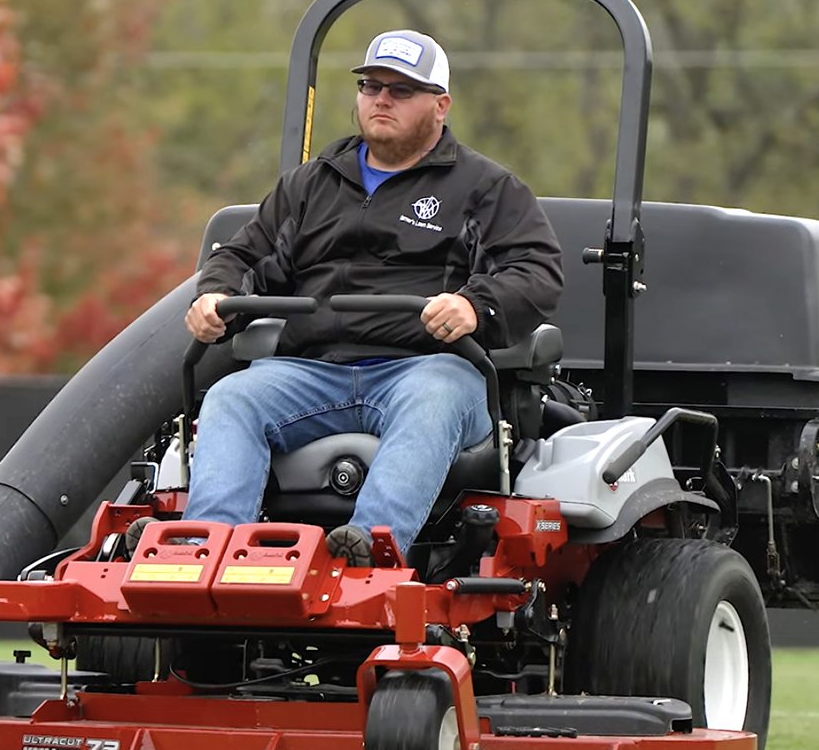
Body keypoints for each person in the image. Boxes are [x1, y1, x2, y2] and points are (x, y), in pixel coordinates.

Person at [181, 29, 564, 566]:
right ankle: (207, 554)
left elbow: (536, 270)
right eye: (370, 85)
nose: (381, 99)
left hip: (426, 368)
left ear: (440, 105)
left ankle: (369, 552)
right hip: (314, 371)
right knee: (231, 397)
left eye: (401, 90)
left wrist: (475, 305)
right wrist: (214, 295)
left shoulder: (485, 188)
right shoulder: (309, 186)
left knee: (435, 396)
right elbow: (243, 256)